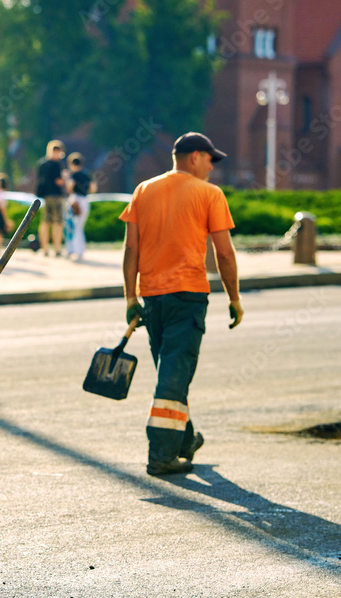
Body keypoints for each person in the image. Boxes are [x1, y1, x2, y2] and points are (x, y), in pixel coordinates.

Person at [120, 132, 244, 477]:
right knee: (173, 377)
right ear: (193, 157)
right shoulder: (209, 194)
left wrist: (131, 297)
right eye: (209, 159)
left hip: (152, 298)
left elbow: (131, 250)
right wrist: (234, 298)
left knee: (170, 372)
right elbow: (224, 253)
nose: (211, 167)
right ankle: (161, 455)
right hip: (188, 296)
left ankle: (184, 441)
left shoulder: (143, 190)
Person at [35, 140, 67, 257]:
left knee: (45, 222)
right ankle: (57, 248)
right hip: (56, 196)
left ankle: (45, 249)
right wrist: (65, 178)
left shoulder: (42, 163)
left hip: (45, 197)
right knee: (58, 222)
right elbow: (59, 181)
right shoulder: (56, 164)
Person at [65, 152, 95, 261]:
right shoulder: (87, 174)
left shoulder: (74, 175)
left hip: (75, 199)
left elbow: (70, 186)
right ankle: (80, 250)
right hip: (85, 199)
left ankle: (73, 250)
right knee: (80, 226)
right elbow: (93, 188)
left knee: (73, 227)